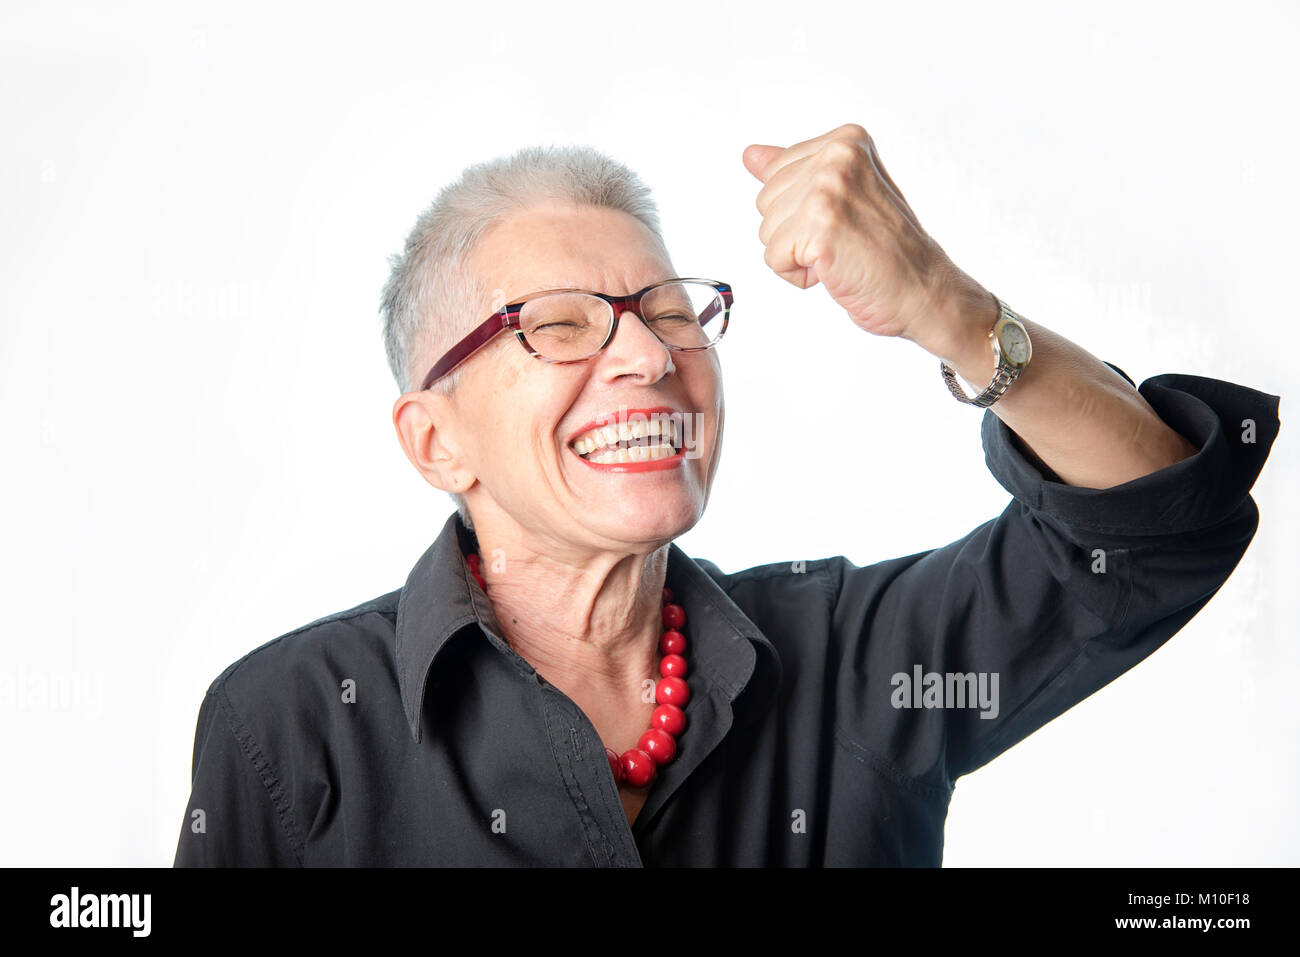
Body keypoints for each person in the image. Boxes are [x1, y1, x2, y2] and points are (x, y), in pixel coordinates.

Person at [173, 124, 1279, 866]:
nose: (650, 358)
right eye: (559, 322)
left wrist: (943, 305)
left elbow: (1151, 530)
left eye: (667, 310)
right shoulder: (288, 728)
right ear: (435, 440)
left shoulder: (858, 661)